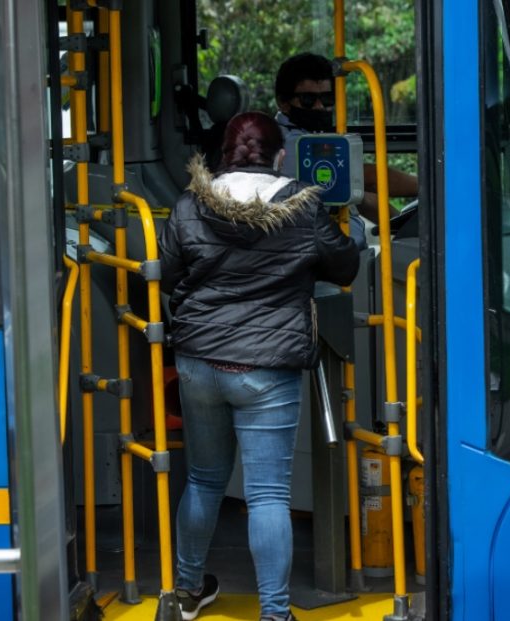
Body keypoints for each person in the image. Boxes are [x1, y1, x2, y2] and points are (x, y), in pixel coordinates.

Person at [159, 111, 359, 621]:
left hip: (200, 360)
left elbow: (168, 274)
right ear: (280, 156)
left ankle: (186, 593)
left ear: (222, 154)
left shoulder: (188, 205)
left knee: (204, 479)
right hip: (267, 368)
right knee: (268, 494)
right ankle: (274, 613)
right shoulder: (303, 207)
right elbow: (345, 266)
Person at [273, 52, 418, 223]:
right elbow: (368, 178)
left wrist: (399, 224)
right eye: (308, 99)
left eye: (327, 99)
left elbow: (360, 196)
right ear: (283, 102)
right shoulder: (291, 142)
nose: (319, 107)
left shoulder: (311, 133)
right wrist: (427, 185)